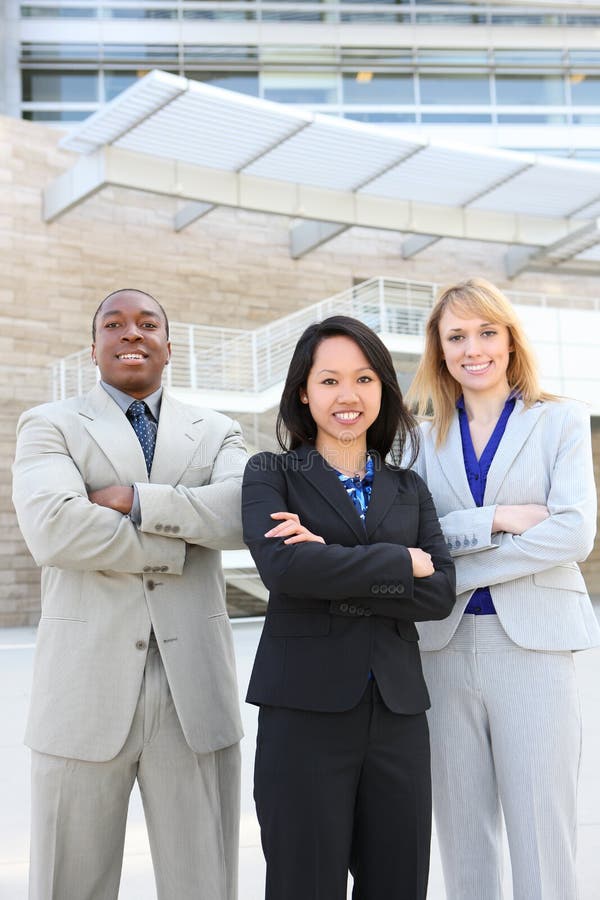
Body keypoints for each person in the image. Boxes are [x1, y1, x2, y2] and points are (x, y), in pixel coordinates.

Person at [12, 288, 247, 900]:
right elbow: (55, 529)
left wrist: (135, 501)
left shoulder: (219, 430)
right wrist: (181, 541)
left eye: (148, 324)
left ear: (170, 347)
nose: (131, 333)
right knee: (69, 883)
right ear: (93, 349)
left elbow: (239, 517)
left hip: (193, 691)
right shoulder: (48, 424)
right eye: (113, 325)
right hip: (81, 692)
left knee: (205, 884)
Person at [241, 315, 455, 900]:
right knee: (303, 883)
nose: (347, 396)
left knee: (399, 883)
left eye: (363, 379)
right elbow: (285, 568)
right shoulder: (271, 474)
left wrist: (330, 560)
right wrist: (398, 562)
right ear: (303, 392)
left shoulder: (409, 488)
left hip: (398, 715)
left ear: (383, 389)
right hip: (303, 713)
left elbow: (438, 593)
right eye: (329, 380)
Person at [406, 277, 600, 900]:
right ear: (439, 349)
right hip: (443, 648)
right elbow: (411, 534)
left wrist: (449, 564)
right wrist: (497, 519)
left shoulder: (560, 420)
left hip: (537, 648)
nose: (473, 348)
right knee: (462, 828)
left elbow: (573, 535)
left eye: (487, 332)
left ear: (510, 340)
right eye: (457, 336)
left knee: (543, 825)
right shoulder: (414, 439)